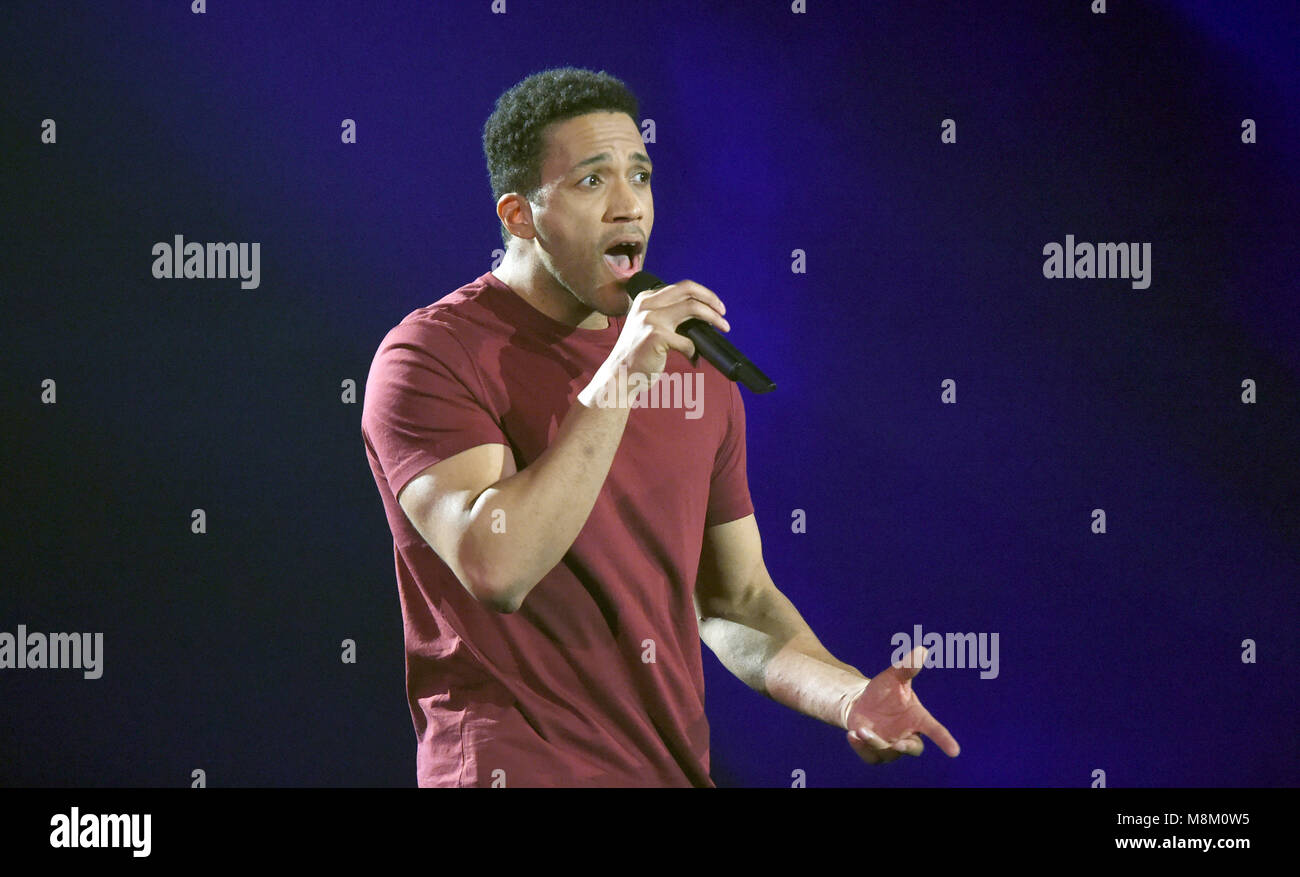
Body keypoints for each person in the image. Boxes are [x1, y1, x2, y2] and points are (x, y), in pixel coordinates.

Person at [361, 67, 959, 787]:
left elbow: (735, 600)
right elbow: (499, 566)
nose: (628, 206)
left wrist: (849, 698)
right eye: (591, 182)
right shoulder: (432, 355)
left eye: (639, 175)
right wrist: (621, 376)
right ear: (519, 215)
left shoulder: (694, 364)